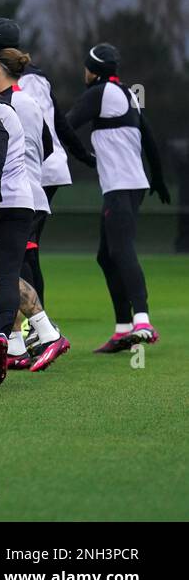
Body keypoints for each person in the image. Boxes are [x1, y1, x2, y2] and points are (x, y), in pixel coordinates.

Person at [65, 43, 170, 352]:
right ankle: (124, 328)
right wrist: (159, 179)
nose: (83, 72)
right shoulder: (126, 93)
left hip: (121, 186)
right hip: (128, 185)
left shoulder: (98, 94)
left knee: (121, 249)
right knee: (106, 254)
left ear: (92, 71)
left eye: (86, 67)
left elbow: (67, 124)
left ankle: (142, 321)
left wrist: (81, 155)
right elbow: (148, 136)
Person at [0, 48, 69, 371]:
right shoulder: (32, 104)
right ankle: (17, 345)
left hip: (16, 198)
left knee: (3, 271)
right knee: (1, 270)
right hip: (30, 196)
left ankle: (47, 334)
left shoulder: (5, 104)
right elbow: (49, 146)